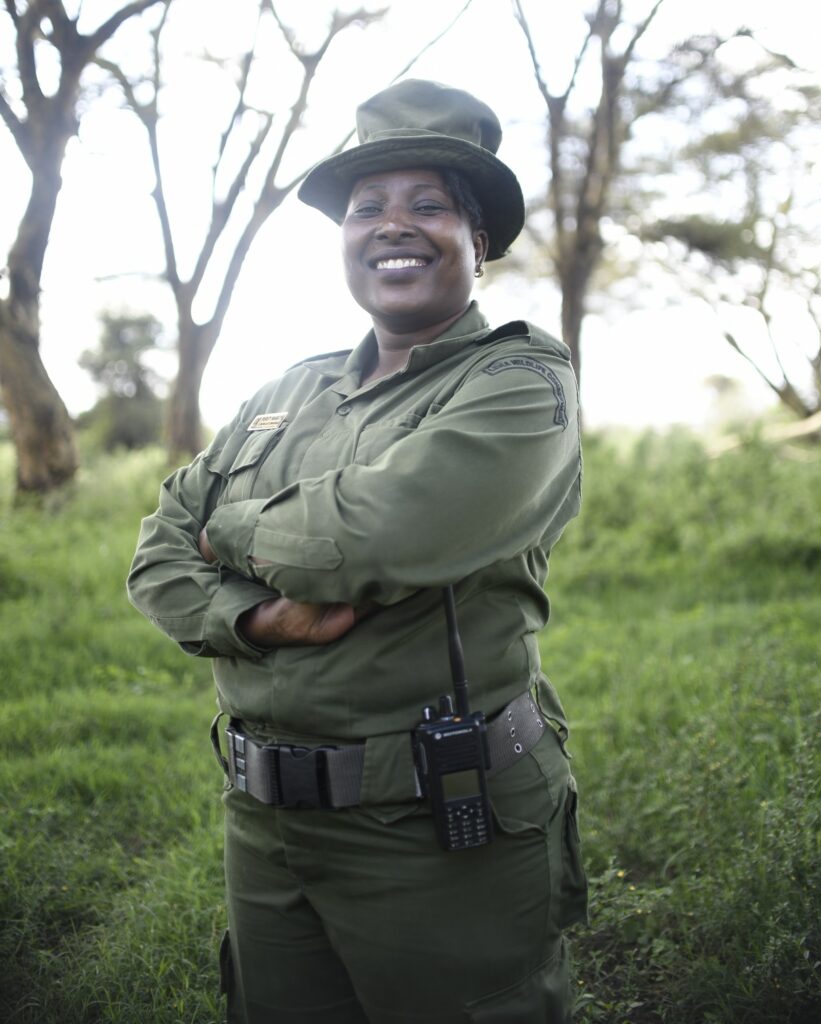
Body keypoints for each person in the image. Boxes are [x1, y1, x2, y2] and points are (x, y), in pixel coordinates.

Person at [127, 78, 588, 1024]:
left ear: (478, 242)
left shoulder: (517, 379)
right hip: (264, 822)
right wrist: (248, 613)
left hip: (436, 825)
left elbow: (368, 537)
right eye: (366, 207)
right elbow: (158, 552)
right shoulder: (282, 393)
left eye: (428, 206)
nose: (394, 226)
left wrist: (237, 529)